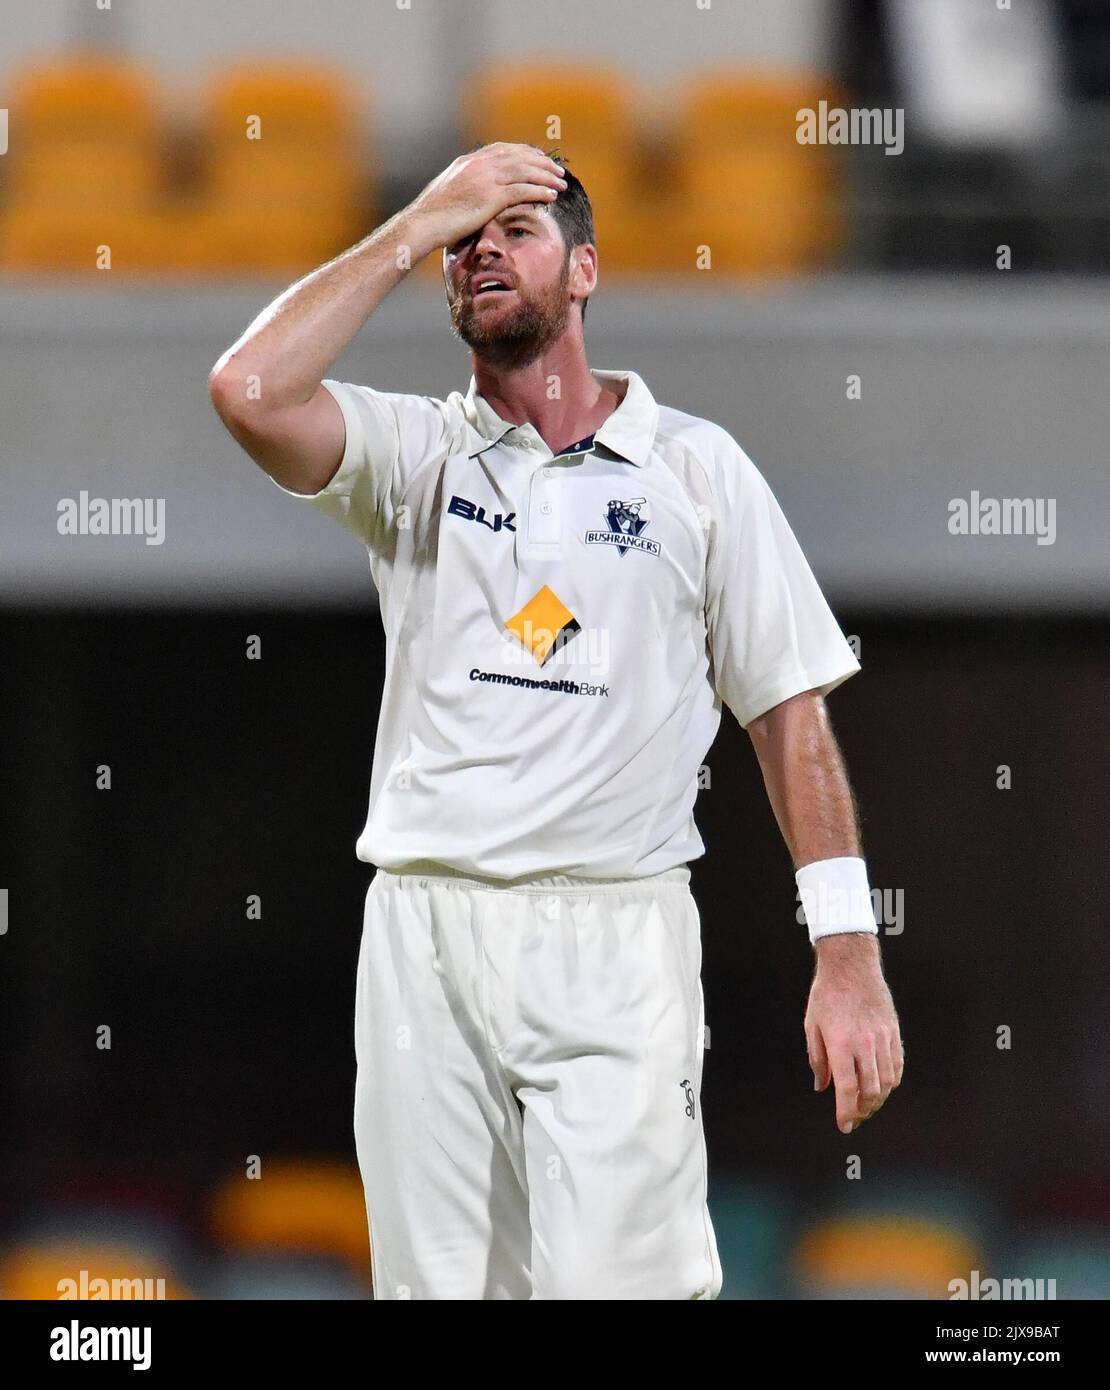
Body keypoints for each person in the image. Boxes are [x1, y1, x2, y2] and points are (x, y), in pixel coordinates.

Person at [208, 141, 904, 1300]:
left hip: (615, 933)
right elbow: (248, 388)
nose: (483, 250)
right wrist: (413, 221)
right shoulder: (415, 455)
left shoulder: (697, 470)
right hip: (425, 933)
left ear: (584, 272)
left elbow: (789, 717)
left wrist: (846, 950)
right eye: (464, 243)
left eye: (515, 232)